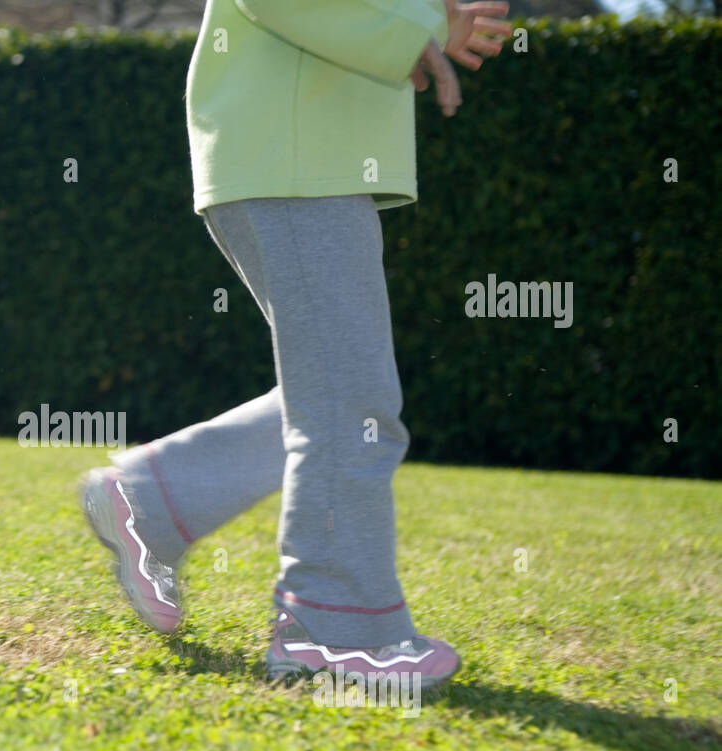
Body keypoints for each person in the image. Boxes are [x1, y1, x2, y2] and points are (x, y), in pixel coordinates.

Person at [81, 0, 511, 688]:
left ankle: (152, 500)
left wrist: (426, 21)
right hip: (292, 155)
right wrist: (408, 33)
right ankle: (334, 629)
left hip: (297, 154)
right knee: (350, 403)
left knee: (337, 394)